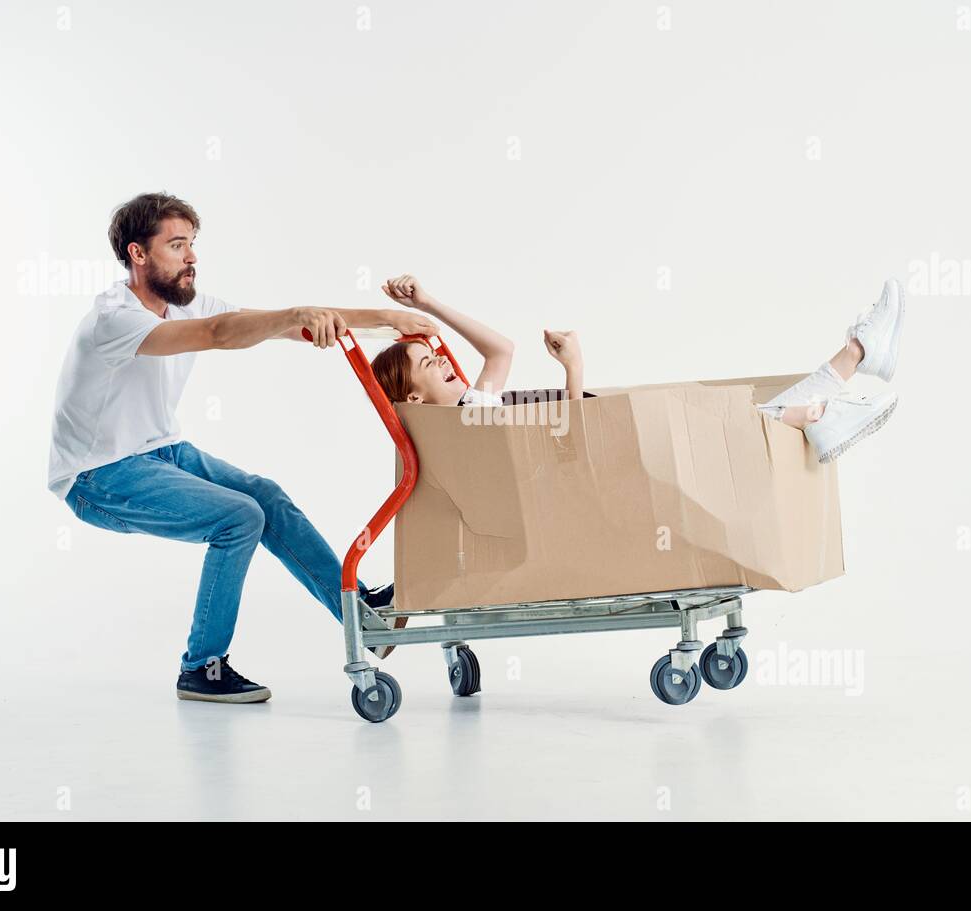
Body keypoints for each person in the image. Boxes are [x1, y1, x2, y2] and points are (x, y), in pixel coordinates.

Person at [47, 193, 438, 703]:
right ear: (137, 254)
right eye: (177, 245)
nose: (192, 257)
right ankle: (201, 668)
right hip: (97, 475)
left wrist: (385, 319)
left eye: (193, 245)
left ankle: (359, 612)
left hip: (163, 451)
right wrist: (295, 315)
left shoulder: (186, 303)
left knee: (266, 497)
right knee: (239, 517)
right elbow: (218, 334)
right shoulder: (115, 320)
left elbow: (284, 323)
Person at [370, 274, 904, 464]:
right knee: (730, 420)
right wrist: (574, 370)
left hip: (614, 429)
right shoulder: (463, 427)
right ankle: (831, 394)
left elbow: (502, 351)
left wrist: (430, 306)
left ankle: (853, 362)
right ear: (413, 399)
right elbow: (568, 450)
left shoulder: (469, 409)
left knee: (738, 412)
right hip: (613, 447)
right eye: (428, 362)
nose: (442, 358)